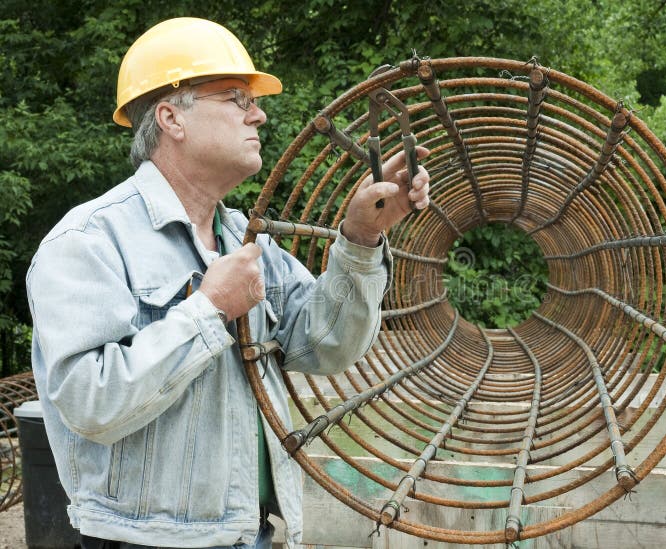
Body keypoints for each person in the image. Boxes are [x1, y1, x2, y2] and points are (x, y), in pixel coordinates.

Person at [25, 17, 429, 549]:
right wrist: (210, 307)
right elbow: (88, 402)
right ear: (171, 117)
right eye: (236, 98)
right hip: (143, 541)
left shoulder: (243, 236)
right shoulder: (89, 240)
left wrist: (359, 236)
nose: (258, 113)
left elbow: (326, 344)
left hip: (251, 534)